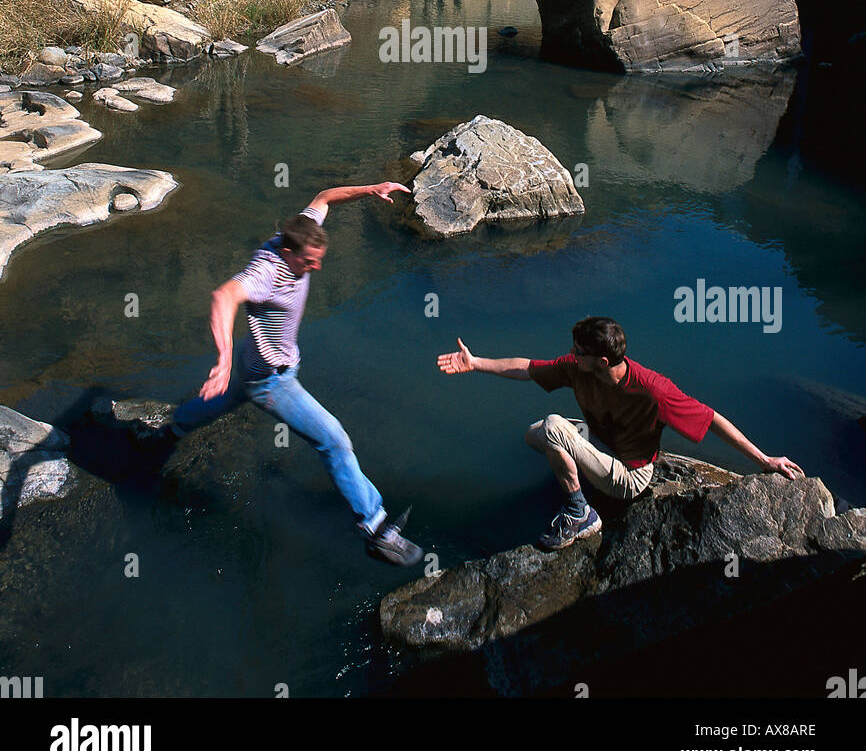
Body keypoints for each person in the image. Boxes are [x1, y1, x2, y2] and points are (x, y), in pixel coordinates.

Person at [140, 181, 423, 567]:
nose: (316, 267)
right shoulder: (267, 271)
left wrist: (372, 189)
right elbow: (224, 297)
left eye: (319, 259)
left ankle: (171, 430)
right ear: (288, 252)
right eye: (309, 261)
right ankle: (375, 528)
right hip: (272, 380)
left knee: (225, 397)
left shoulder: (297, 234)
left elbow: (324, 198)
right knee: (334, 440)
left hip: (253, 361)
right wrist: (221, 358)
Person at [437, 315, 805, 551]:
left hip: (630, 474)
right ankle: (579, 484)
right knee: (535, 434)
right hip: (602, 443)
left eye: (577, 350)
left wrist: (765, 460)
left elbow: (712, 420)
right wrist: (476, 363)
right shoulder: (580, 367)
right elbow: (528, 368)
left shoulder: (653, 390)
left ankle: (581, 514)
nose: (570, 353)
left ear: (602, 360)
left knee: (552, 427)